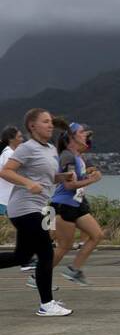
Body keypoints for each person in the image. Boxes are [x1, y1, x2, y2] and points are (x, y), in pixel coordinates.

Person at [0, 109, 70, 315]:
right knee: (46, 253)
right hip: (24, 208)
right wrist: (28, 183)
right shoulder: (26, 148)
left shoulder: (50, 149)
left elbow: (46, 179)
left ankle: (47, 303)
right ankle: (46, 304)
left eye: (51, 122)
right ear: (32, 126)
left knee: (21, 256)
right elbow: (5, 171)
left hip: (40, 207)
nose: (50, 125)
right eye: (45, 122)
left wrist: (64, 176)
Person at [48, 119, 104, 287]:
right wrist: (92, 180)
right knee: (64, 246)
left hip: (76, 205)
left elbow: (86, 173)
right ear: (71, 137)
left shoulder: (79, 156)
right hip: (63, 205)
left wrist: (91, 173)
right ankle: (38, 276)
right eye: (81, 132)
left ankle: (74, 269)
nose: (85, 134)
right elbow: (68, 185)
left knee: (97, 235)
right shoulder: (67, 156)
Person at [0, 125, 22, 218]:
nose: (22, 139)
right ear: (11, 139)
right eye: (19, 136)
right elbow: (8, 174)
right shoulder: (10, 154)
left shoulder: (7, 153)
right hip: (4, 201)